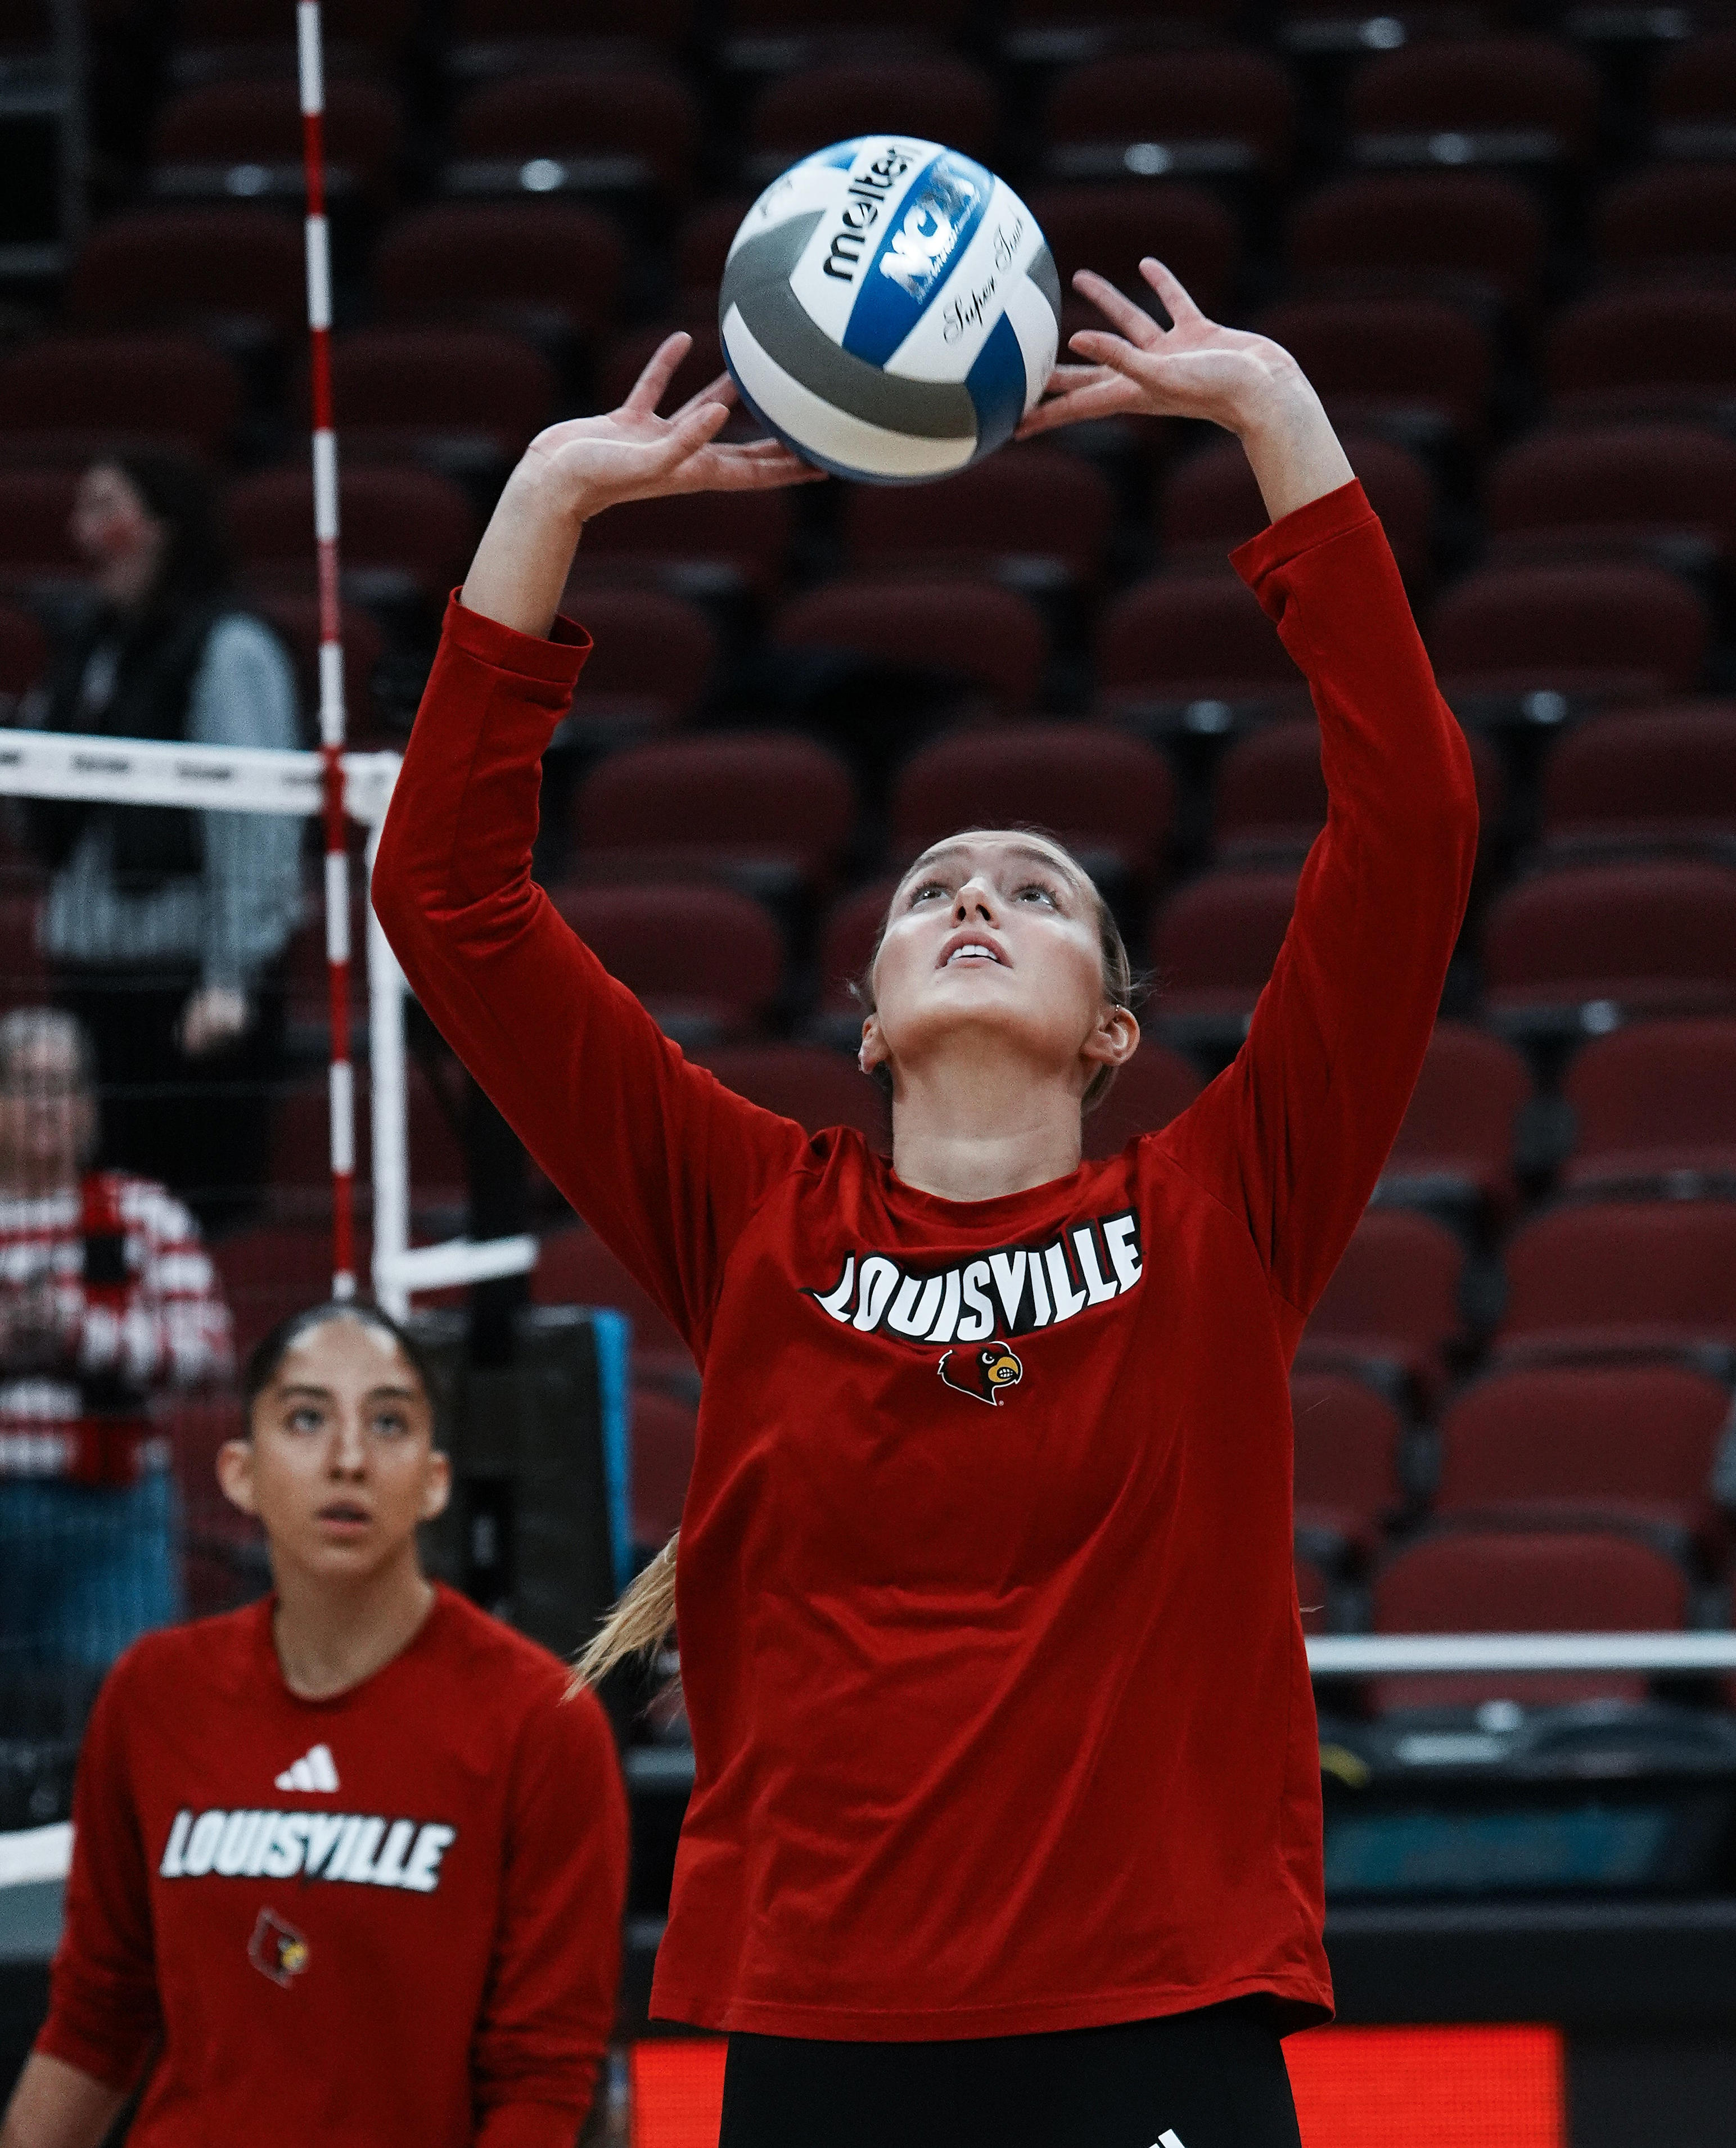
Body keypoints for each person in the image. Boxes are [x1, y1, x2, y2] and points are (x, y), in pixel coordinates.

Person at [369, 260, 1479, 2148]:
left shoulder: (1229, 1205)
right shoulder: (748, 1218)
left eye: (1033, 894)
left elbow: (1409, 833)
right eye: (928, 894)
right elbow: (447, 900)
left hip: (1160, 2016)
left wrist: (1275, 420)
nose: (972, 899)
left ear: (1113, 1028)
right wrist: (546, 505)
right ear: (870, 1027)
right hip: (824, 2033)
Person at [2, 1300, 629, 2148]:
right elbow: (95, 2021)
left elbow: (543, 2079)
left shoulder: (539, 1722)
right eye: (305, 1418)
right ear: (238, 1471)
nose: (347, 1460)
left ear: (435, 1479)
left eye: (388, 1422)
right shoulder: (154, 1693)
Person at [17, 452, 305, 1233]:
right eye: (79, 511)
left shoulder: (229, 648)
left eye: (106, 507)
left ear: (165, 528)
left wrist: (230, 977)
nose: (85, 533)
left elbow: (255, 821)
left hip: (189, 994)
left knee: (189, 1218)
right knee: (102, 1215)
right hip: (95, 983)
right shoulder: (91, 646)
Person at [0, 1007, 231, 1699]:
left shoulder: (144, 1214)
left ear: (90, 1106)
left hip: (111, 1513)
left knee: (120, 1705)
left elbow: (208, 1350)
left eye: (64, 1085)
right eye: (25, 1084)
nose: (47, 1104)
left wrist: (82, 1336)